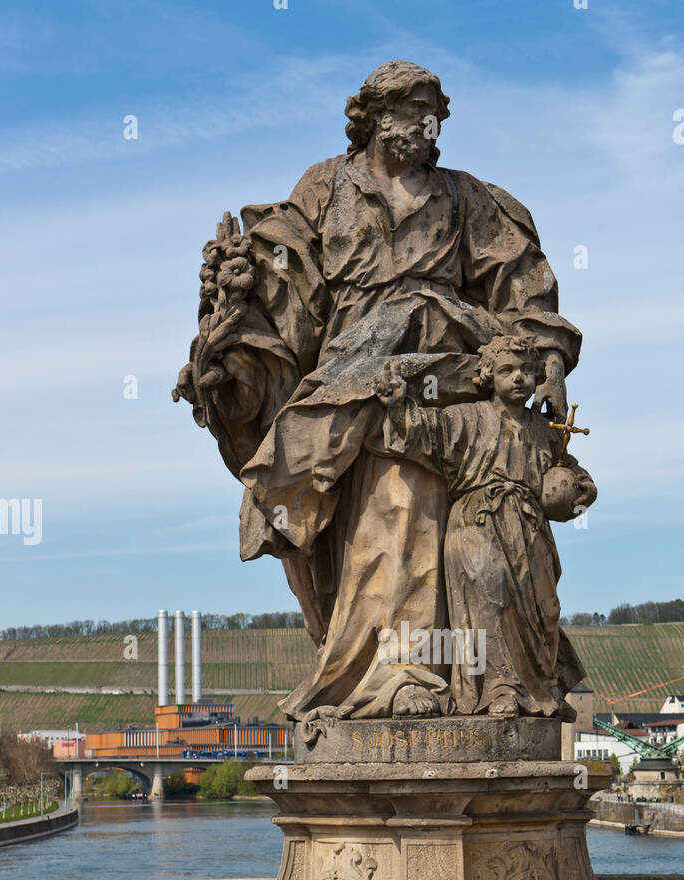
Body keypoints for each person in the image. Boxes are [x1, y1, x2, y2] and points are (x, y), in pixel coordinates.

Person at [174, 61, 584, 721]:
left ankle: (415, 673)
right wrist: (239, 290)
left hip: (444, 377)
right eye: (412, 110)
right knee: (364, 516)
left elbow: (524, 287)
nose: (426, 125)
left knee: (413, 496)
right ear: (374, 116)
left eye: (436, 114)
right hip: (350, 373)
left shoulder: (466, 198)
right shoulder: (327, 186)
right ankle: (382, 670)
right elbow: (284, 272)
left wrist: (549, 353)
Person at [375, 334, 596, 716]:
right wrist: (398, 405)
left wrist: (581, 492)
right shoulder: (468, 417)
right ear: (489, 374)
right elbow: (424, 432)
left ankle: (541, 692)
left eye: (528, 371)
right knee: (488, 602)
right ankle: (499, 689)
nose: (519, 379)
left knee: (544, 608)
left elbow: (575, 474)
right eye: (507, 370)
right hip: (477, 522)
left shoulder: (545, 430)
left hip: (530, 530)